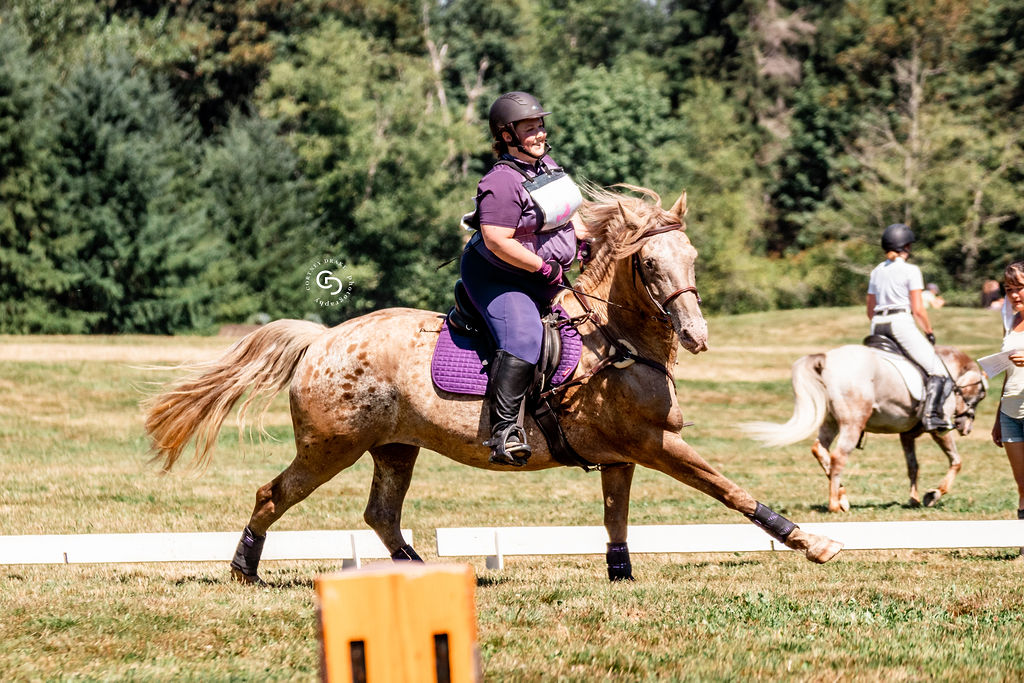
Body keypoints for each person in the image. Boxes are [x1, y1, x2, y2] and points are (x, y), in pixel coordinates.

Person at [459, 91, 587, 466]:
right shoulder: (500, 182)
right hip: (499, 276)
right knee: (524, 335)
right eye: (529, 129)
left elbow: (568, 211)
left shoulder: (545, 165)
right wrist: (543, 266)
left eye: (540, 126)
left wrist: (584, 239)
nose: (539, 134)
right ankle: (504, 432)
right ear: (507, 135)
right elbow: (497, 240)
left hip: (539, 274)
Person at [866, 223, 953, 432]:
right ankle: (931, 417)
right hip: (900, 323)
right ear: (906, 246)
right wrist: (929, 332)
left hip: (877, 325)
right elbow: (918, 309)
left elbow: (870, 309)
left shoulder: (876, 271)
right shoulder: (911, 270)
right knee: (938, 371)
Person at [991, 261, 1024, 521]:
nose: (1014, 295)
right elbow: (1005, 373)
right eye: (1009, 288)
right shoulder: (1010, 321)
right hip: (1010, 413)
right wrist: (997, 419)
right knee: (1022, 485)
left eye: (1020, 288)